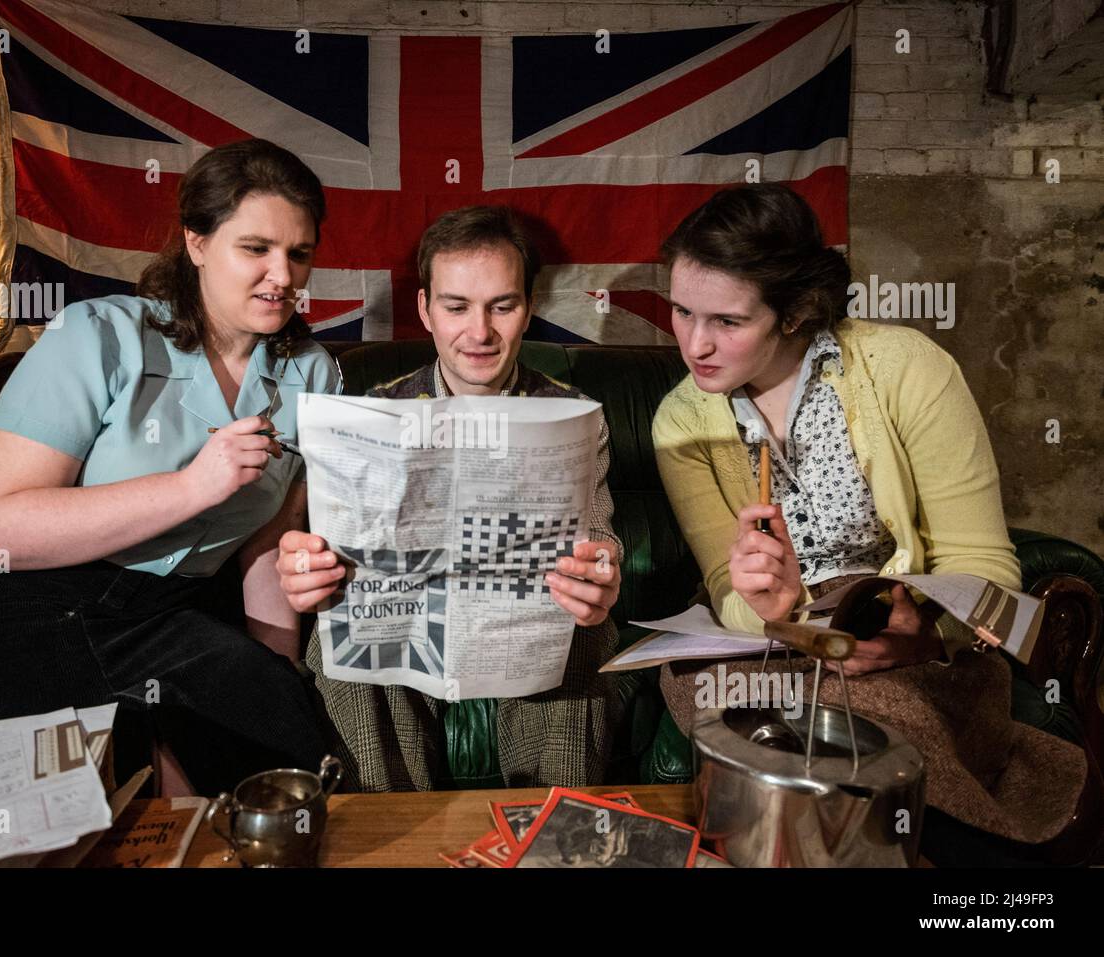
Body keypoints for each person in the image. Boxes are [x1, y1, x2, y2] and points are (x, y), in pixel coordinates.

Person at [0, 140, 342, 797]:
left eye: (299, 253)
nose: (282, 275)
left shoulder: (314, 373)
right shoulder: (96, 332)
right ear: (196, 242)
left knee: (284, 752)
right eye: (255, 248)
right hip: (8, 590)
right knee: (56, 794)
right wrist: (193, 484)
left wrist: (280, 675)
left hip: (164, 605)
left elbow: (263, 547)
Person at [650, 183, 1087, 859]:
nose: (695, 343)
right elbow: (724, 588)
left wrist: (927, 632)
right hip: (772, 646)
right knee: (711, 690)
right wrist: (772, 607)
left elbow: (988, 567)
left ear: (795, 311)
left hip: (902, 633)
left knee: (870, 725)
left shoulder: (908, 370)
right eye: (681, 310)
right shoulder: (681, 421)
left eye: (728, 322)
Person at [276, 206, 624, 790]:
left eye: (502, 306)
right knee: (344, 636)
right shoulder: (372, 413)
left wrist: (601, 569)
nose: (480, 332)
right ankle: (390, 842)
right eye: (457, 307)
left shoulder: (575, 414)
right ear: (426, 311)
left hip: (525, 626)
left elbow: (599, 527)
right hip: (410, 625)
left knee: (584, 635)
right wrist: (308, 566)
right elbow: (325, 546)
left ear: (528, 307)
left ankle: (547, 835)